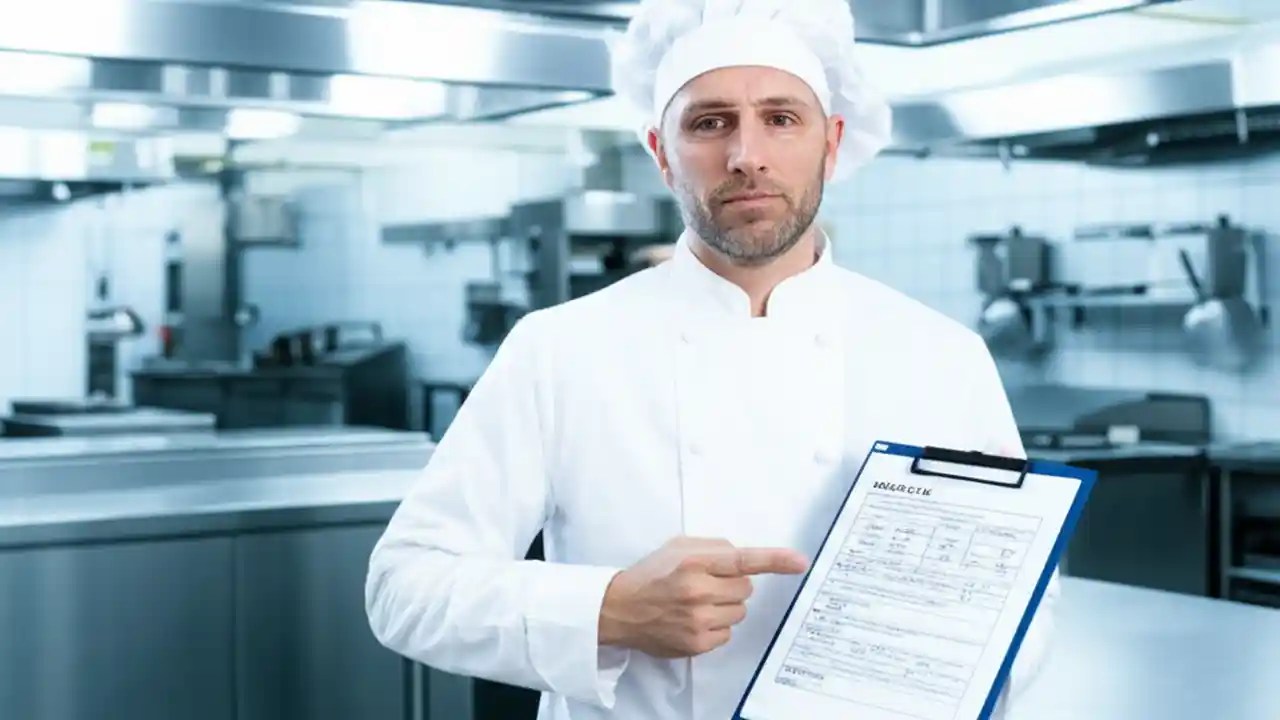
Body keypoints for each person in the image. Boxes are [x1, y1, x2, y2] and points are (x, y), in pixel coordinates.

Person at [365, 0, 1059, 718]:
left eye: (781, 118)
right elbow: (404, 586)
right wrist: (604, 610)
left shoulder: (939, 355)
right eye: (709, 121)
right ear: (661, 152)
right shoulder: (562, 347)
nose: (747, 155)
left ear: (831, 142)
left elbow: (1020, 593)